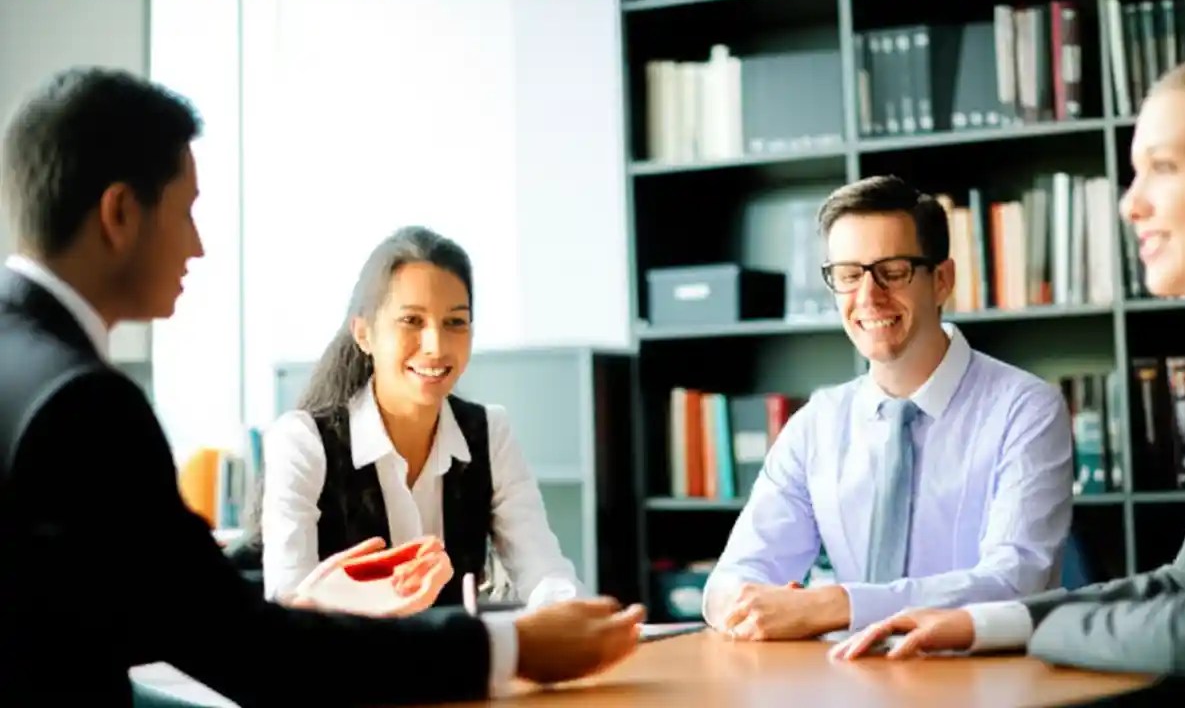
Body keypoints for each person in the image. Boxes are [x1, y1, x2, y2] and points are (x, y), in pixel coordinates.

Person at [0, 66, 643, 706]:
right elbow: (242, 646)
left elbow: (141, 617)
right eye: (187, 211)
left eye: (456, 323)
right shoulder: (82, 405)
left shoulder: (30, 370)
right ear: (119, 213)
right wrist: (516, 649)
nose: (196, 246)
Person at [829, 51, 1185, 700]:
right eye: (1133, 174)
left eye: (1164, 168)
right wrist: (980, 625)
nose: (1130, 205)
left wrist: (1037, 633)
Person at [701, 175, 1076, 640]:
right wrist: (744, 605)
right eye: (848, 274)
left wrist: (839, 604)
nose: (868, 296)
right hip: (843, 680)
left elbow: (1015, 583)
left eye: (892, 271)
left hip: (977, 679)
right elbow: (733, 581)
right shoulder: (815, 425)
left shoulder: (1026, 411)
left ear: (942, 280)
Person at [251, 224, 583, 610]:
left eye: (455, 322)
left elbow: (542, 570)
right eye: (412, 321)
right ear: (364, 333)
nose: (436, 346)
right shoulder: (303, 441)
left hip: (453, 666)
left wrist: (576, 615)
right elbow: (288, 606)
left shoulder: (489, 433)